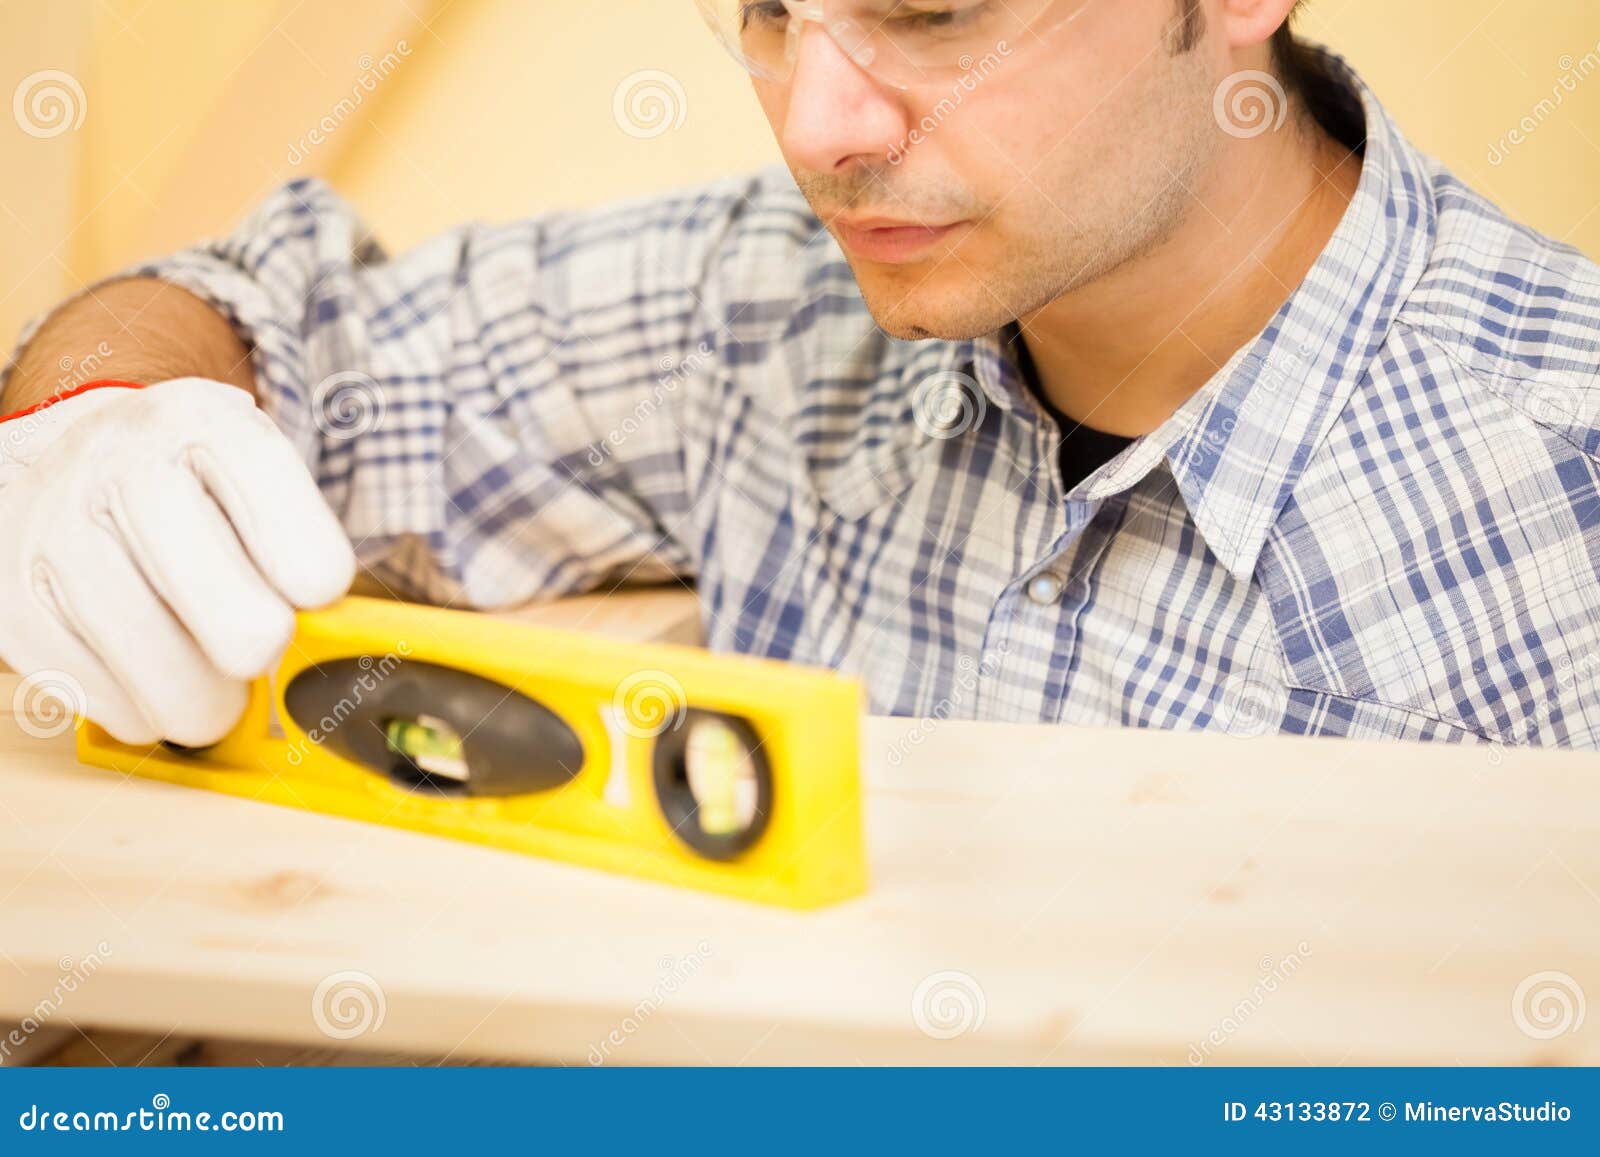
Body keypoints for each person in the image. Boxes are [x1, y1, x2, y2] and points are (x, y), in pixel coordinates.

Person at [3, 0, 1598, 751]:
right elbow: (266, 322)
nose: (818, 127)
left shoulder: (1563, 502)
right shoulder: (759, 305)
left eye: (930, 8)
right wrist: (96, 418)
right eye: (768, 9)